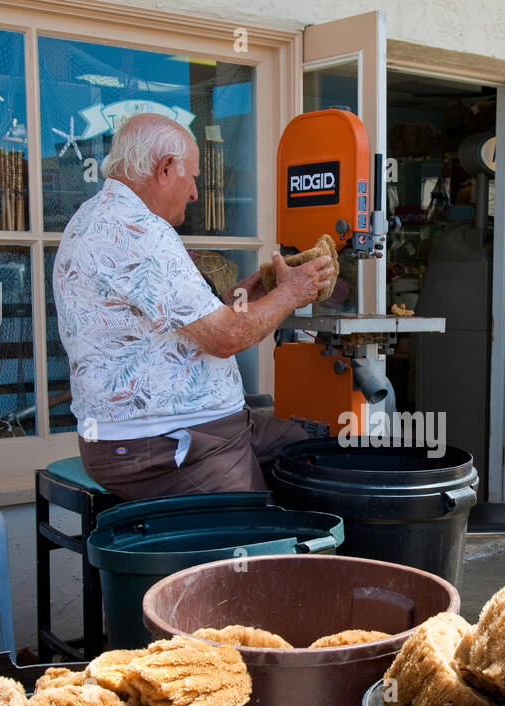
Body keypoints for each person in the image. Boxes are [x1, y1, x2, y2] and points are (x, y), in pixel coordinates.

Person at [53, 113, 335, 499]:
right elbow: (224, 338)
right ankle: (263, 552)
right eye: (194, 177)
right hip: (160, 445)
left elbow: (189, 322)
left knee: (307, 450)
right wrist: (292, 293)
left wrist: (247, 295)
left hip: (193, 428)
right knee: (256, 530)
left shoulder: (97, 215)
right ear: (166, 168)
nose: (195, 193)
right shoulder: (139, 231)